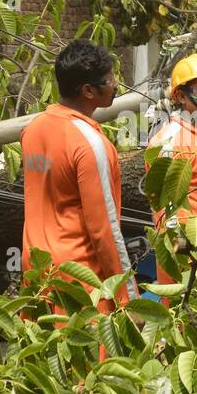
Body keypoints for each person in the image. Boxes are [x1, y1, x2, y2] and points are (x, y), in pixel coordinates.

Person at [21, 39, 139, 313]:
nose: (116, 85)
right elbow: (104, 228)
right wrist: (127, 297)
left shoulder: (32, 130)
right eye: (110, 80)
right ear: (88, 90)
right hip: (82, 282)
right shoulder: (89, 143)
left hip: (36, 274)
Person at [147, 52, 197, 291]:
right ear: (181, 96)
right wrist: (187, 264)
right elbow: (167, 215)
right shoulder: (169, 142)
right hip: (188, 265)